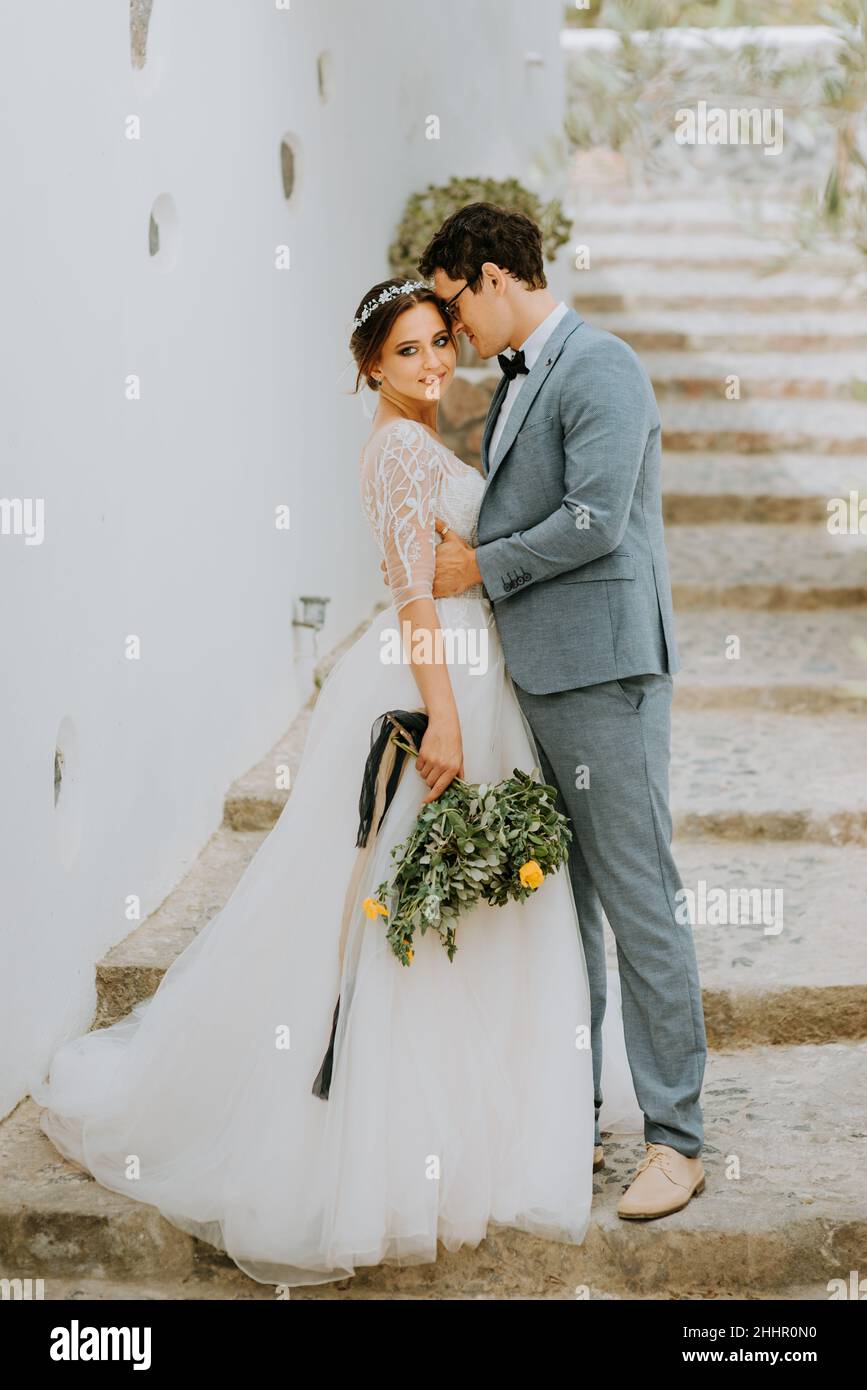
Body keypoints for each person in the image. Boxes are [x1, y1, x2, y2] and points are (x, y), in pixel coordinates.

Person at [30, 276, 642, 1291]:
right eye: (407, 352)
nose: (433, 363)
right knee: (417, 906)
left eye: (440, 343)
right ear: (370, 366)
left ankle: (481, 1121)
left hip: (476, 683)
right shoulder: (399, 450)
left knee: (468, 906)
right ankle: (399, 1151)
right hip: (438, 684)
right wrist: (443, 716)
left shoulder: (420, 438)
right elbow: (412, 596)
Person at [412, 202, 708, 1220]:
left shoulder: (604, 366)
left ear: (493, 275)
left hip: (605, 675)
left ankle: (676, 1137)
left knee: (639, 899)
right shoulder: (516, 383)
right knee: (566, 914)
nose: (454, 336)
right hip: (541, 679)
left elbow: (594, 520)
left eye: (453, 310)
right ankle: (569, 1118)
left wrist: (476, 569)